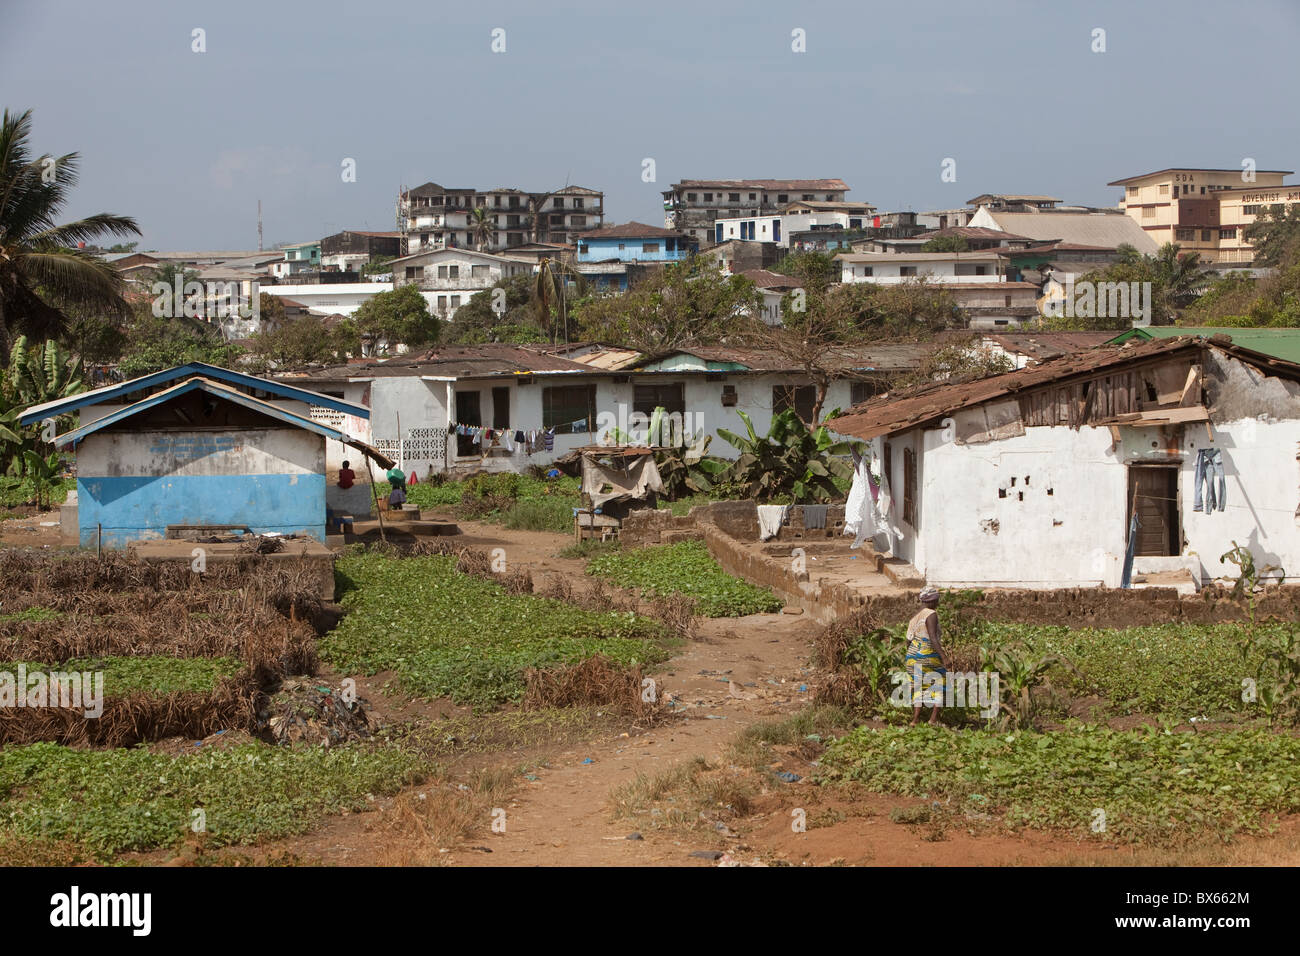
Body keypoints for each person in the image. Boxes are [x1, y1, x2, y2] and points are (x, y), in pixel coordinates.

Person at [905, 585, 951, 727]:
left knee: (918, 686)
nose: (938, 603)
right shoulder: (931, 614)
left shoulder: (914, 618)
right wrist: (944, 657)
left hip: (912, 657)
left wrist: (914, 658)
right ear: (931, 600)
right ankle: (933, 720)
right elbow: (933, 637)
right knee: (941, 682)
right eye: (937, 600)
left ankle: (915, 720)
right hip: (927, 653)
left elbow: (907, 641)